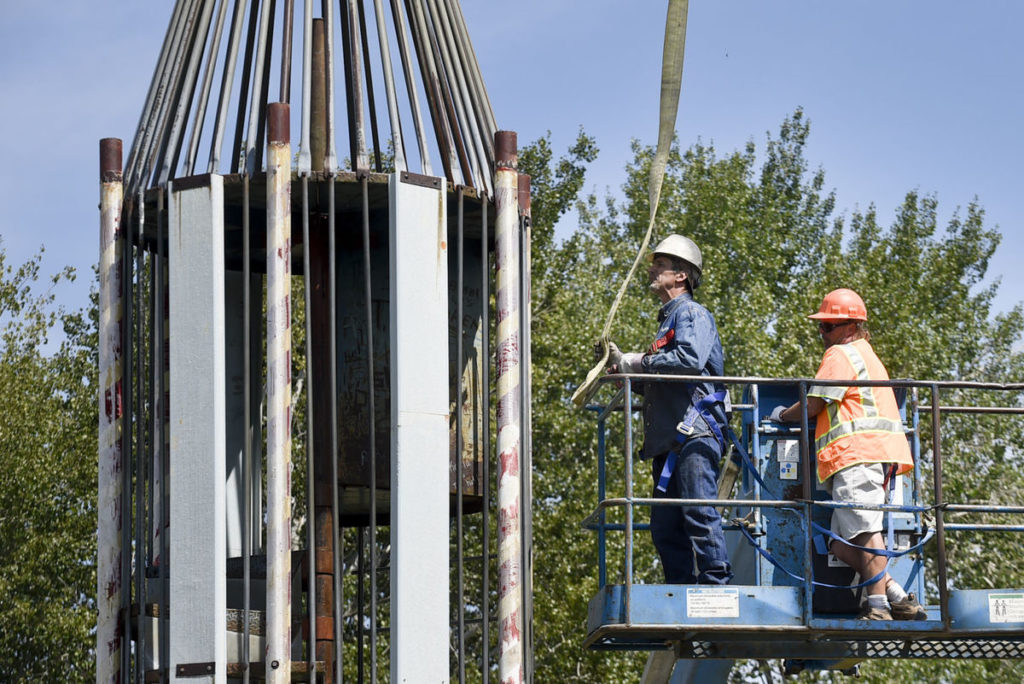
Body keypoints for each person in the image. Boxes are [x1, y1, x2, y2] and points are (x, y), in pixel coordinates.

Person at [769, 288, 926, 620]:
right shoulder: (866, 355)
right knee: (840, 545)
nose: (822, 334)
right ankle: (898, 596)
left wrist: (781, 415)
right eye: (821, 327)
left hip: (860, 455)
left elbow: (813, 403)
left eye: (827, 327)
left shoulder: (842, 355)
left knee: (865, 530)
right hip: (867, 457)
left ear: (851, 326)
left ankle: (880, 606)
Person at [602, 235, 732, 585]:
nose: (652, 268)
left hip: (694, 431)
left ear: (682, 275)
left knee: (698, 511)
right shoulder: (668, 322)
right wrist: (630, 376)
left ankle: (715, 585)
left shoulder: (691, 313)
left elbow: (689, 361)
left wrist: (639, 361)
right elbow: (667, 376)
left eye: (661, 264)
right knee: (664, 526)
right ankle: (680, 590)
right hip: (671, 439)